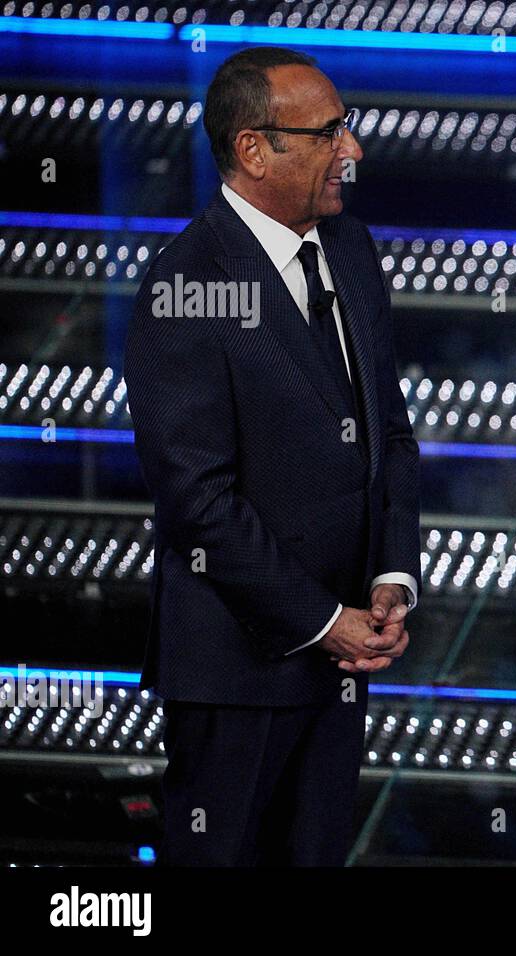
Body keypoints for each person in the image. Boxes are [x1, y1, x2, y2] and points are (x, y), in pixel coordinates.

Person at [123, 47, 420, 865]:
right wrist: (324, 624)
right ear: (255, 149)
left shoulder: (352, 249)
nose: (351, 151)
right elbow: (198, 501)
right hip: (237, 673)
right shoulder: (185, 281)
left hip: (343, 663)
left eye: (346, 128)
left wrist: (392, 577)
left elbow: (388, 433)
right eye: (328, 133)